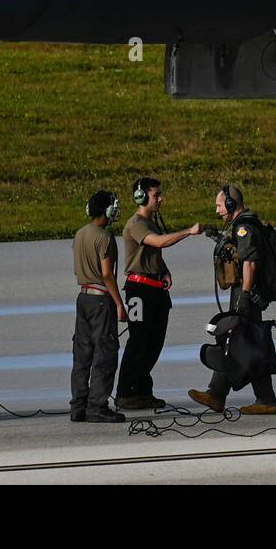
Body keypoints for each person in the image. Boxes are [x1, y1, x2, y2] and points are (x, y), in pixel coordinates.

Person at [189, 183, 276, 416]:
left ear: (231, 204)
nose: (217, 209)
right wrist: (214, 236)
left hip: (245, 293)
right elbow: (236, 253)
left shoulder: (244, 228)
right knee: (243, 342)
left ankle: (222, 395)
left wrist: (246, 297)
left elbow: (249, 262)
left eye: (220, 205)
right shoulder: (239, 226)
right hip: (243, 292)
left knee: (238, 341)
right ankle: (224, 395)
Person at [114, 177, 200, 411]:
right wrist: (188, 232)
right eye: (156, 195)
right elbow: (159, 242)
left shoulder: (150, 221)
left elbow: (153, 253)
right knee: (138, 341)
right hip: (139, 291)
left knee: (153, 343)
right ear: (142, 197)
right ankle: (125, 392)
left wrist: (164, 270)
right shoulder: (136, 224)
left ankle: (142, 390)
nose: (161, 199)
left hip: (154, 290)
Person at [71, 190, 127, 423]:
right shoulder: (104, 237)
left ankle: (78, 406)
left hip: (83, 297)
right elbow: (106, 274)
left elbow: (77, 270)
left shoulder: (80, 234)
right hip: (101, 300)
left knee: (82, 354)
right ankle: (97, 406)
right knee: (104, 354)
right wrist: (119, 304)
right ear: (108, 210)